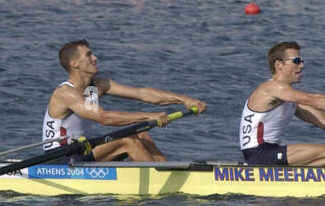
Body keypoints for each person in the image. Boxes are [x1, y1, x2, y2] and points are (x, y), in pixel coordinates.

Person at [43, 40, 205, 163]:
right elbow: (104, 118)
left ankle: (169, 171)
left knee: (141, 134)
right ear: (74, 64)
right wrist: (149, 117)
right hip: (58, 159)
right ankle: (161, 181)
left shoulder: (98, 85)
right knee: (127, 141)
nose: (95, 58)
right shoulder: (65, 93)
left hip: (81, 152)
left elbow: (142, 93)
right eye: (88, 55)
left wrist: (184, 100)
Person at [239, 42, 325, 168]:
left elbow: (324, 121)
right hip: (259, 155)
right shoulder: (270, 88)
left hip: (271, 152)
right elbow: (312, 100)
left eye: (302, 61)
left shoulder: (288, 98)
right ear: (279, 64)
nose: (302, 65)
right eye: (296, 61)